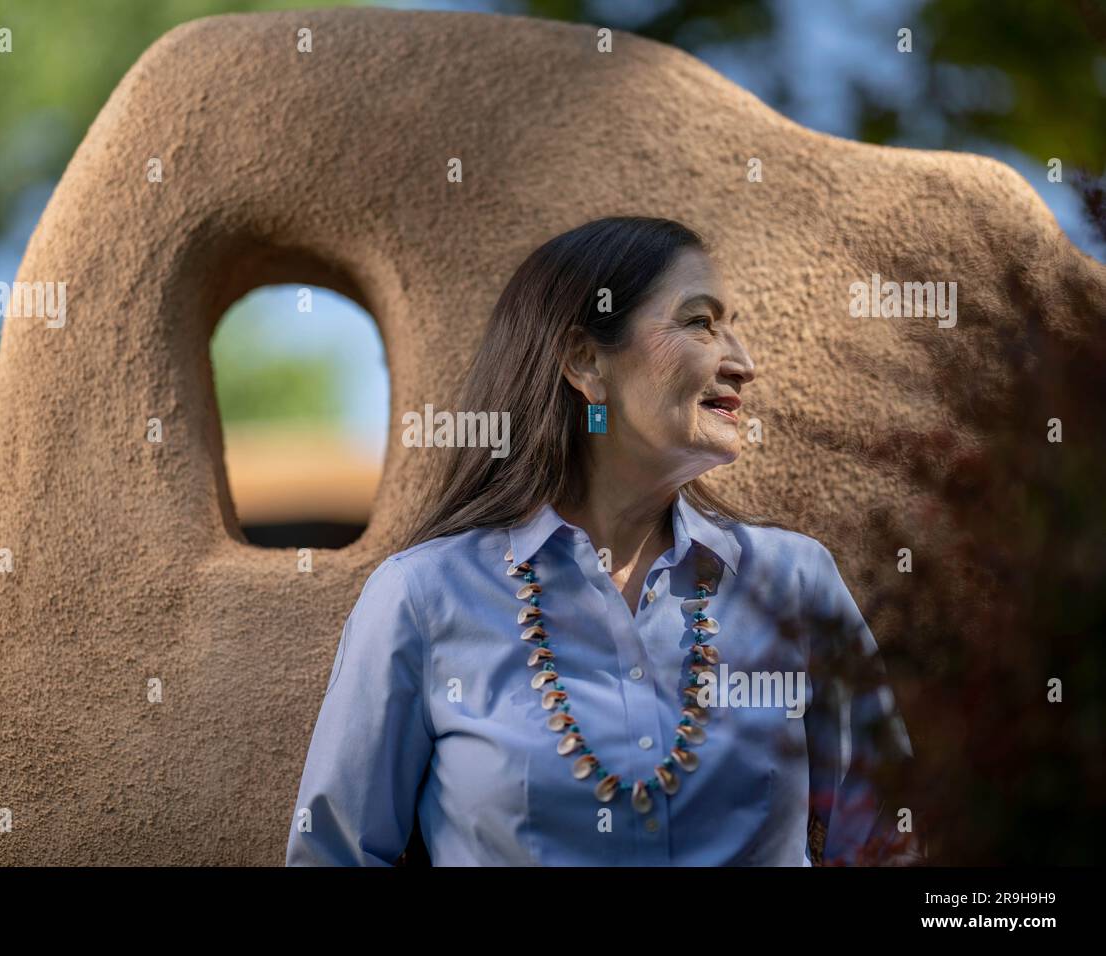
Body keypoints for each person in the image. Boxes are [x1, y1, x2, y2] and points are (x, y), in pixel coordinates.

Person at [286, 216, 917, 866]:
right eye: (700, 322)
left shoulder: (796, 584)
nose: (744, 363)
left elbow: (883, 845)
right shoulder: (422, 598)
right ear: (587, 362)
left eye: (734, 325)